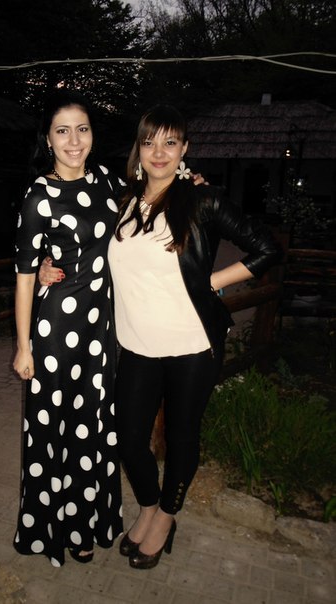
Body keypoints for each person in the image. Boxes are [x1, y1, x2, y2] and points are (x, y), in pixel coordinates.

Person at [106, 104, 281, 569]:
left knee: (182, 436)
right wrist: (45, 268)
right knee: (128, 439)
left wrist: (212, 282)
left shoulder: (202, 200)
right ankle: (148, 506)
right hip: (137, 346)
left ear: (184, 149)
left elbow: (266, 248)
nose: (159, 152)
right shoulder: (123, 202)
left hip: (192, 346)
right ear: (138, 148)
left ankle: (165, 517)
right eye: (150, 141)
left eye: (170, 142)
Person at [12, 89, 125, 566]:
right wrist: (24, 347)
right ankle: (57, 529)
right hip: (57, 331)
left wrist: (187, 180)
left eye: (82, 129)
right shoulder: (39, 196)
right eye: (62, 131)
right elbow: (23, 278)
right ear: (48, 139)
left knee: (92, 428)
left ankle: (87, 522)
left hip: (102, 331)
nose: (74, 140)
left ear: (93, 135)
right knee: (54, 431)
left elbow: (151, 201)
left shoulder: (109, 181)